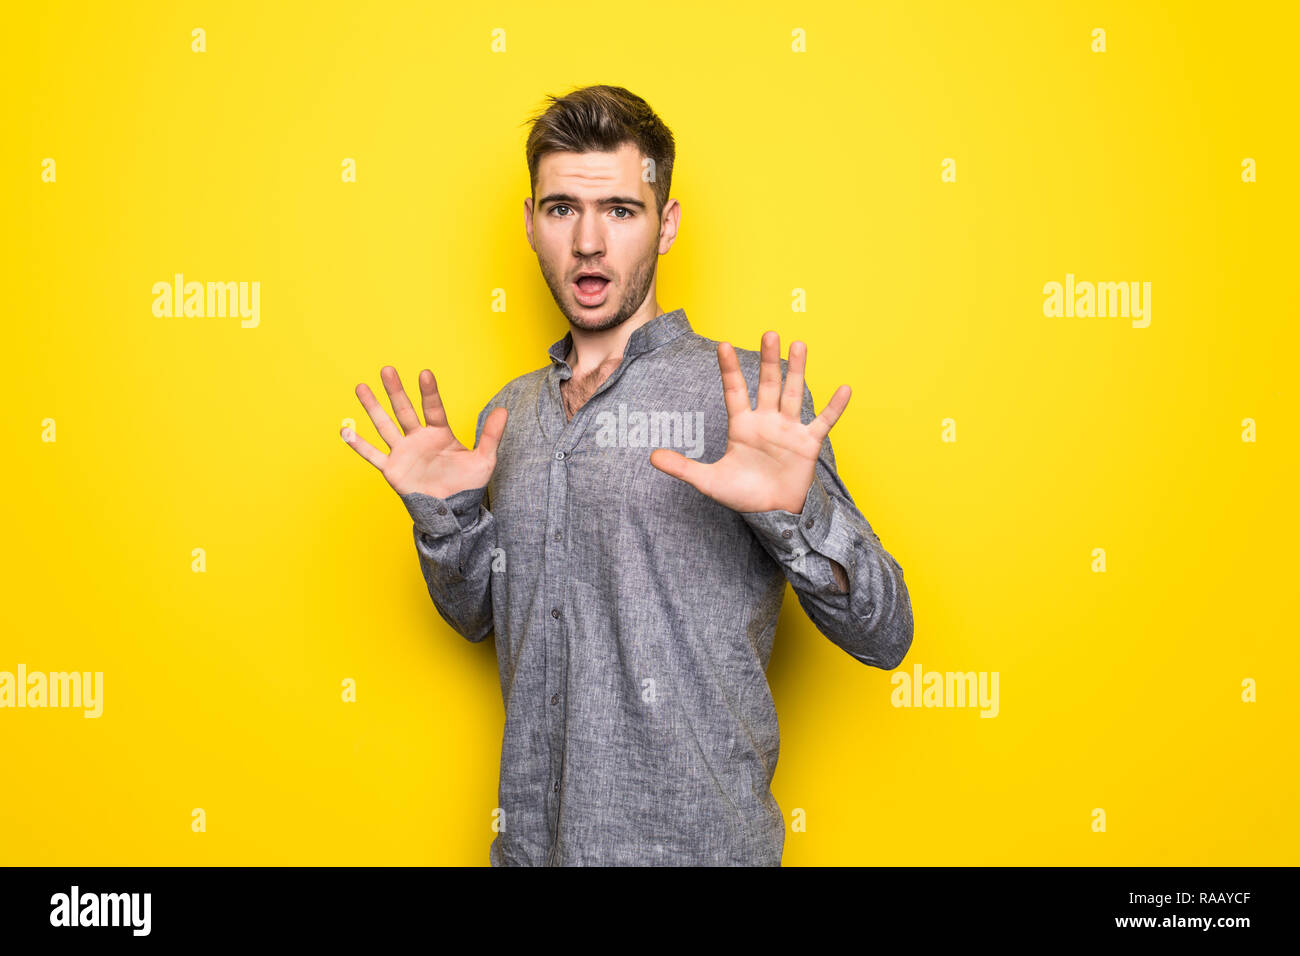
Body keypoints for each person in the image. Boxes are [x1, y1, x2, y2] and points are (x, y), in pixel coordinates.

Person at [343, 85, 914, 865]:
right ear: (530, 223)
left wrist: (799, 515)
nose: (587, 241)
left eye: (619, 210)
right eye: (560, 210)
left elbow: (885, 635)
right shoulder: (509, 416)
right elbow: (478, 617)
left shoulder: (744, 401)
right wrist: (447, 519)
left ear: (666, 224)